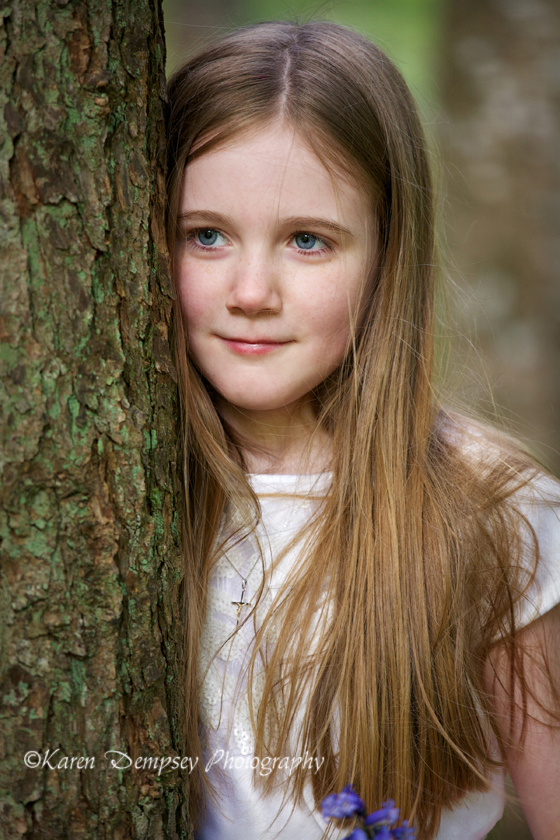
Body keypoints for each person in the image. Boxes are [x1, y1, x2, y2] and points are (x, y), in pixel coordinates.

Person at [165, 21, 560, 840]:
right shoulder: (118, 490)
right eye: (206, 235)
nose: (249, 290)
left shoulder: (495, 512)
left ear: (386, 256)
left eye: (308, 240)